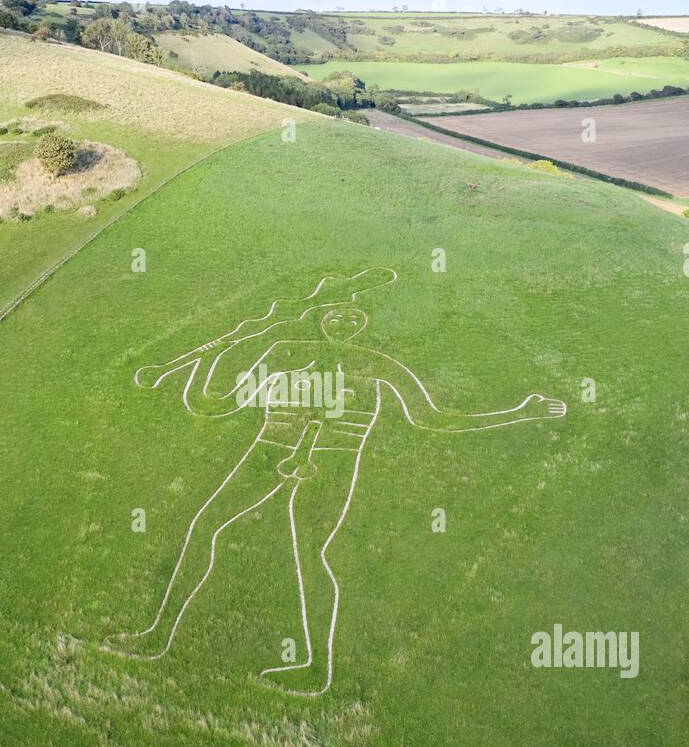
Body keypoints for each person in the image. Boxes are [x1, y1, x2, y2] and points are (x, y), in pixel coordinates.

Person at [103, 268, 566, 695]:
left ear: (360, 324)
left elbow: (432, 418)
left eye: (352, 317)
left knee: (309, 553)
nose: (343, 323)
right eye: (335, 315)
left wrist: (519, 414)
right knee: (206, 527)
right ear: (322, 319)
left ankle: (315, 667)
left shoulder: (376, 365)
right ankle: (156, 636)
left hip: (334, 458)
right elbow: (214, 404)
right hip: (271, 449)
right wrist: (223, 351)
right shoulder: (287, 354)